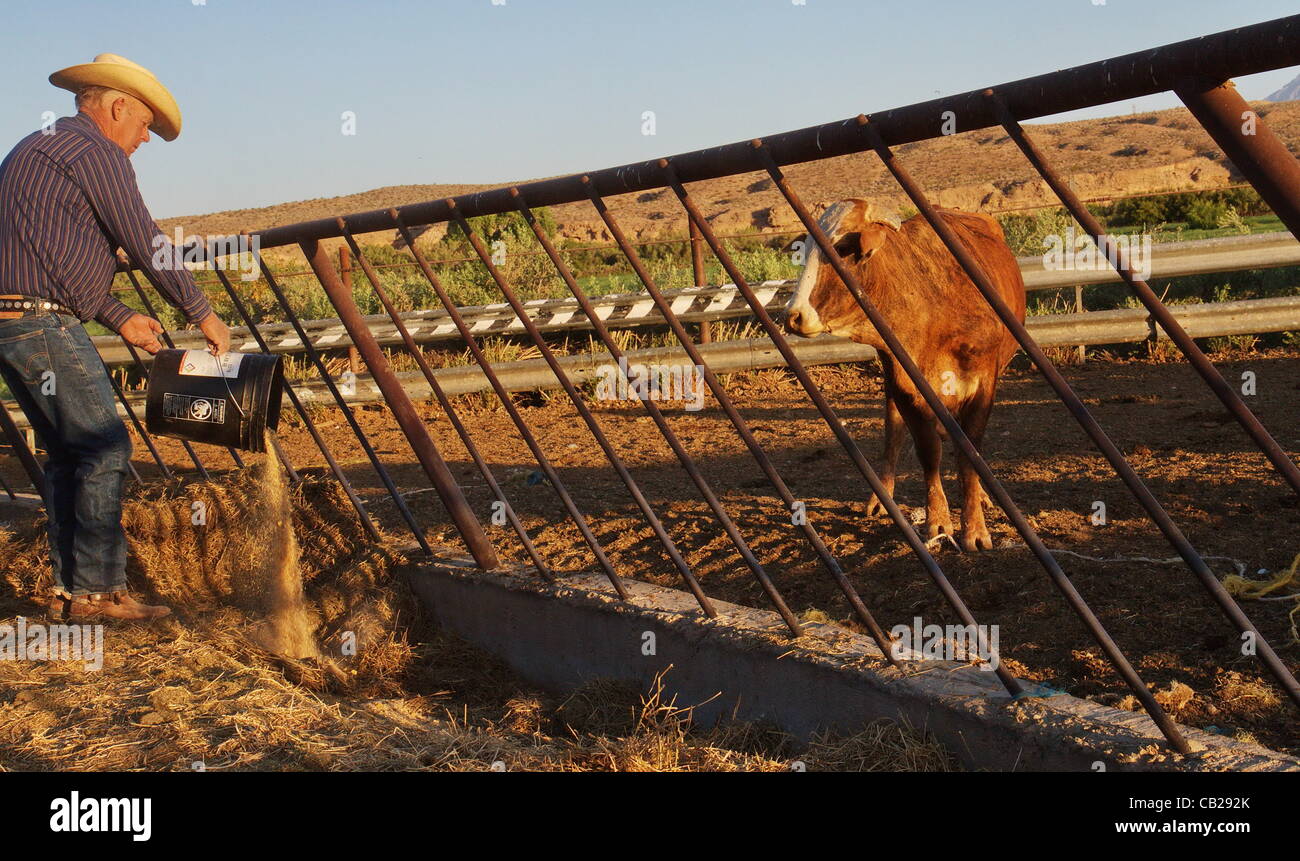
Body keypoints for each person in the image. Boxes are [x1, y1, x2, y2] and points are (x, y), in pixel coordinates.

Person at [0, 54, 230, 622]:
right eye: (145, 124)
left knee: (65, 457)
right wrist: (201, 310)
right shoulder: (93, 151)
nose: (145, 138)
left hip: (13, 320)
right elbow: (143, 236)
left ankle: (69, 591)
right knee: (105, 448)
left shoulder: (36, 146)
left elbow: (53, 255)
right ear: (117, 106)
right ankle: (100, 595)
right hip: (42, 321)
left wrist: (117, 314)